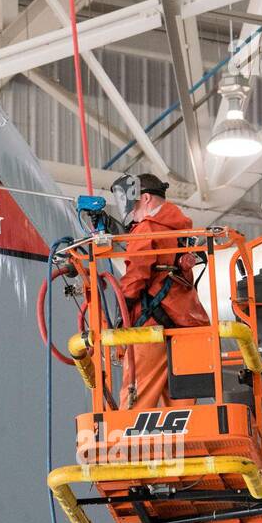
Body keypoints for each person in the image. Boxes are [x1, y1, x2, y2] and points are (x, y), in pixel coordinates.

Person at [109, 174, 209, 410]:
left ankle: (125, 448)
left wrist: (119, 312)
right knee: (181, 416)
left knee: (134, 405)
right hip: (189, 328)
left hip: (153, 329)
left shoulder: (147, 229)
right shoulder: (180, 230)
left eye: (132, 205)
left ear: (144, 198)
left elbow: (137, 275)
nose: (131, 213)